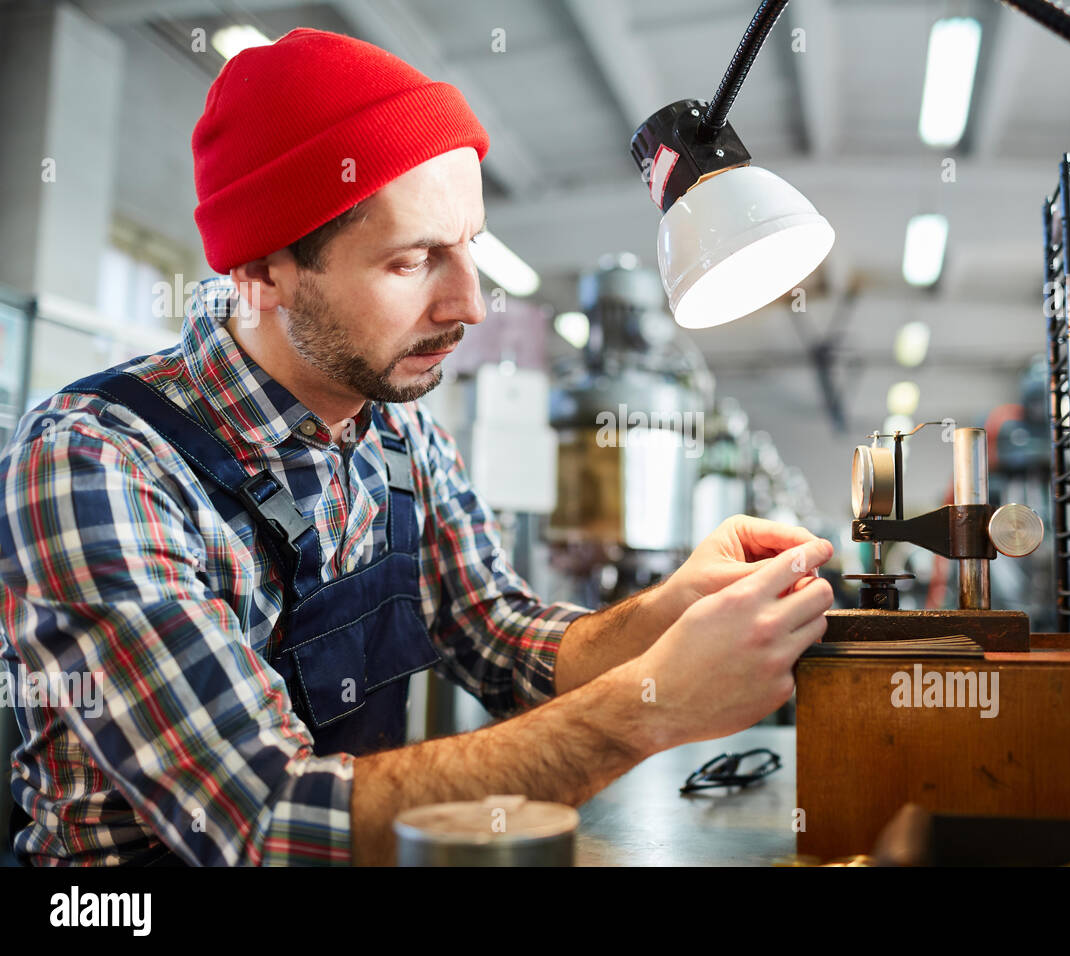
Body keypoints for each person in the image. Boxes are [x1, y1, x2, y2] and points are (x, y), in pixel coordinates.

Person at [0, 28, 833, 867]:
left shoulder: (396, 430)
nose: (469, 305)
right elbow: (271, 820)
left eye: (467, 245)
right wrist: (650, 709)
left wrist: (672, 610)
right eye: (412, 261)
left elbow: (500, 637)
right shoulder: (96, 462)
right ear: (268, 269)